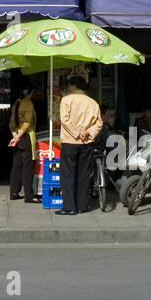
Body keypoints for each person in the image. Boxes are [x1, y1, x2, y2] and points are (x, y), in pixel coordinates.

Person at [56, 73, 103, 216]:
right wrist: (88, 133)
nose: (68, 88)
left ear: (73, 86)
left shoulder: (66, 100)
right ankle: (82, 205)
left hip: (70, 142)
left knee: (68, 174)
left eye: (69, 85)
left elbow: (64, 119)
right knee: (84, 174)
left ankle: (69, 207)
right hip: (87, 143)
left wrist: (77, 132)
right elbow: (99, 123)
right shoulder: (92, 102)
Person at [7, 88, 39, 203]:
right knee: (28, 167)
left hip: (17, 136)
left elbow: (11, 123)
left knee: (16, 166)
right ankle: (28, 195)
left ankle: (14, 192)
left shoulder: (16, 103)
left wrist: (15, 136)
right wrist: (19, 136)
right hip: (25, 136)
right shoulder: (28, 103)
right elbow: (27, 123)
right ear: (30, 93)